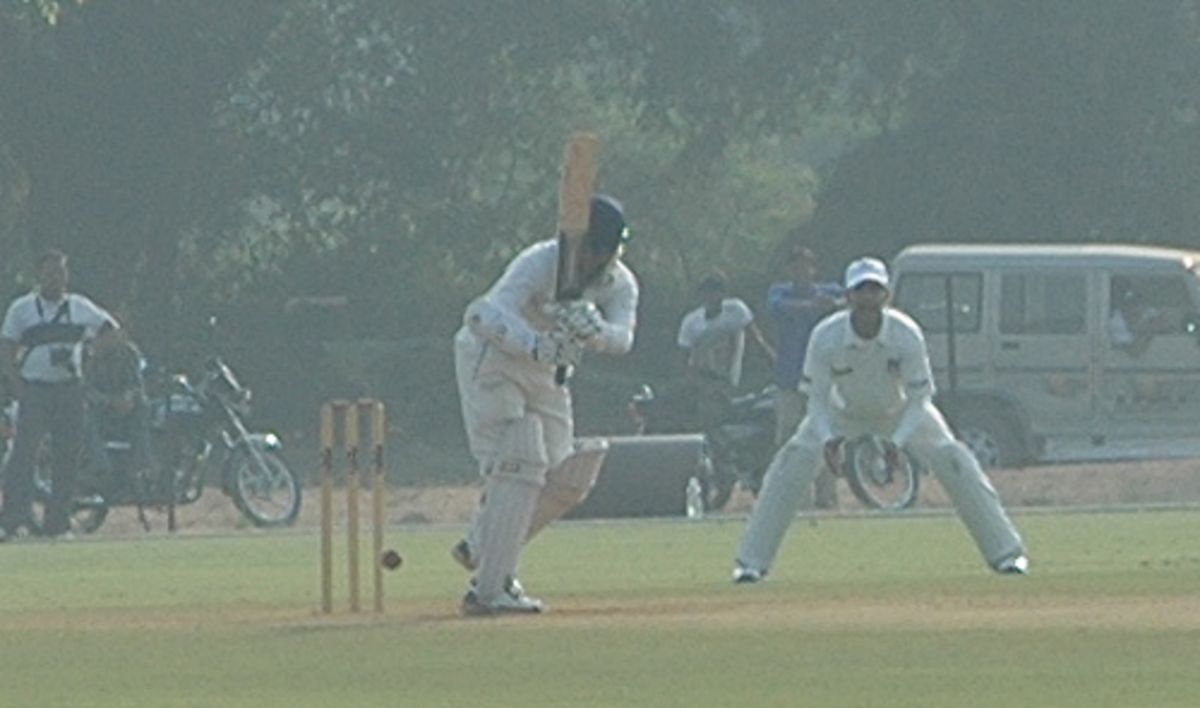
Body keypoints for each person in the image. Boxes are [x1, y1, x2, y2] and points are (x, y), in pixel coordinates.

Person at [732, 257, 1028, 583]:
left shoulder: (905, 333)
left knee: (954, 458)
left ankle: (1007, 555)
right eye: (861, 291)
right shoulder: (826, 336)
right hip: (841, 414)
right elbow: (816, 399)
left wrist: (896, 442)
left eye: (875, 290)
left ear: (886, 296)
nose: (868, 299)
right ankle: (751, 564)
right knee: (791, 462)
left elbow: (919, 399)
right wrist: (829, 438)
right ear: (848, 297)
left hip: (901, 413)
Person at [451, 194, 639, 615]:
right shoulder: (539, 262)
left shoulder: (619, 281)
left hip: (547, 374)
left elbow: (624, 338)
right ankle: (489, 592)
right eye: (593, 249)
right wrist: (536, 343)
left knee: (568, 474)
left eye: (607, 252)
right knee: (520, 456)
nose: (598, 260)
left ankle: (485, 546)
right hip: (494, 361)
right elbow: (484, 315)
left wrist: (595, 333)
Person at [0, 250, 117, 540]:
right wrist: (17, 386)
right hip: (35, 389)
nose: (57, 278)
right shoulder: (22, 309)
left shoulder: (78, 306)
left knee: (67, 457)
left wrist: (92, 354)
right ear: (39, 275)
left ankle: (58, 524)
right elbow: (7, 348)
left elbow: (111, 329)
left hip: (70, 389)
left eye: (61, 272)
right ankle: (12, 521)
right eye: (51, 272)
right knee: (24, 456)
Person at [766, 243, 843, 509]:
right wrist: (815, 305)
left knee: (828, 436)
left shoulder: (830, 290)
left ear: (814, 269)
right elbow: (778, 307)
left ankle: (827, 496)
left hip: (823, 378)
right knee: (789, 436)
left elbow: (854, 300)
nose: (801, 272)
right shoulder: (779, 292)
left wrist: (833, 303)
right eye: (795, 266)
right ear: (788, 269)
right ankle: (792, 497)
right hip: (789, 377)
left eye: (805, 266)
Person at [676, 270, 773, 430]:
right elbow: (683, 359)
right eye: (707, 292)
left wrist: (772, 360)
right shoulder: (692, 322)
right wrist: (695, 384)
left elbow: (756, 339)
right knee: (711, 420)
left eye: (716, 291)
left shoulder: (736, 310)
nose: (712, 296)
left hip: (733, 374)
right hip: (705, 379)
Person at [82, 324, 151, 494]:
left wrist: (128, 398)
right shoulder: (89, 356)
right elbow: (85, 389)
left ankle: (140, 465)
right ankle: (101, 466)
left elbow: (137, 384)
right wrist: (109, 401)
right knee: (86, 418)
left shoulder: (129, 353)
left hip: (128, 405)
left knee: (144, 409)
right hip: (100, 406)